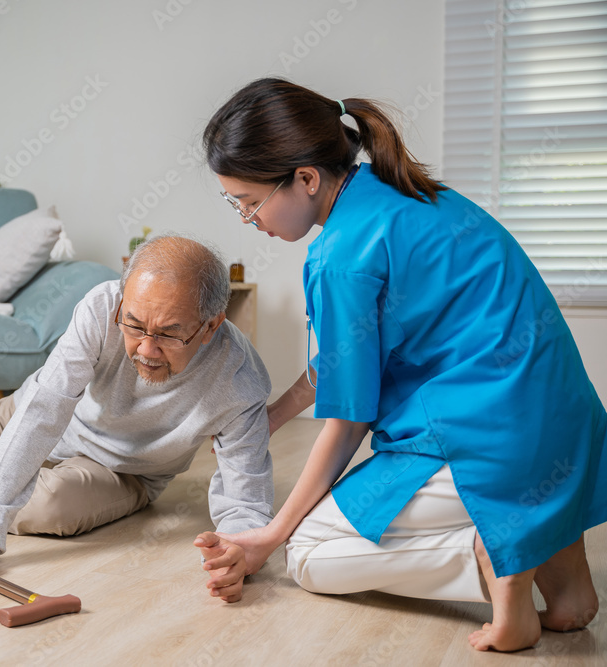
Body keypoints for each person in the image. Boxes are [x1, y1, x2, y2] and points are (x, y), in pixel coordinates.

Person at [192, 78, 605, 652]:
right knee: (566, 597)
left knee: (308, 553)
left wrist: (270, 534)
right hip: (561, 419)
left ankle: (494, 554)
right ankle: (567, 592)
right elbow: (347, 359)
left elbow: (347, 423)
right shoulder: (405, 193)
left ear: (306, 179)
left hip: (484, 439)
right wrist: (271, 417)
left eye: (249, 201)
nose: (246, 218)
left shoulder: (340, 256)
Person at [0, 234, 276, 593]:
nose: (145, 349)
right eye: (134, 324)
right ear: (122, 302)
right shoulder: (100, 307)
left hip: (124, 469)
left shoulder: (240, 377)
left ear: (211, 326)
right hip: (41, 415)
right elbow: (43, 412)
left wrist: (238, 549)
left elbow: (245, 497)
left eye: (168, 334)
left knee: (49, 507)